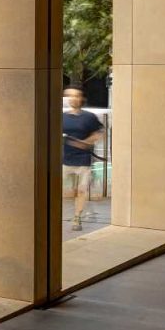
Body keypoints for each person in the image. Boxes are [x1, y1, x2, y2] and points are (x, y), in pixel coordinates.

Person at [62, 87, 103, 233]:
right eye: (70, 96)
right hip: (64, 160)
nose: (73, 98)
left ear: (82, 99)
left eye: (76, 96)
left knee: (81, 190)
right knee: (68, 190)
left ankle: (77, 217)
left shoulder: (89, 117)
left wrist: (85, 143)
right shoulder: (62, 117)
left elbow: (98, 134)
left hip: (82, 161)